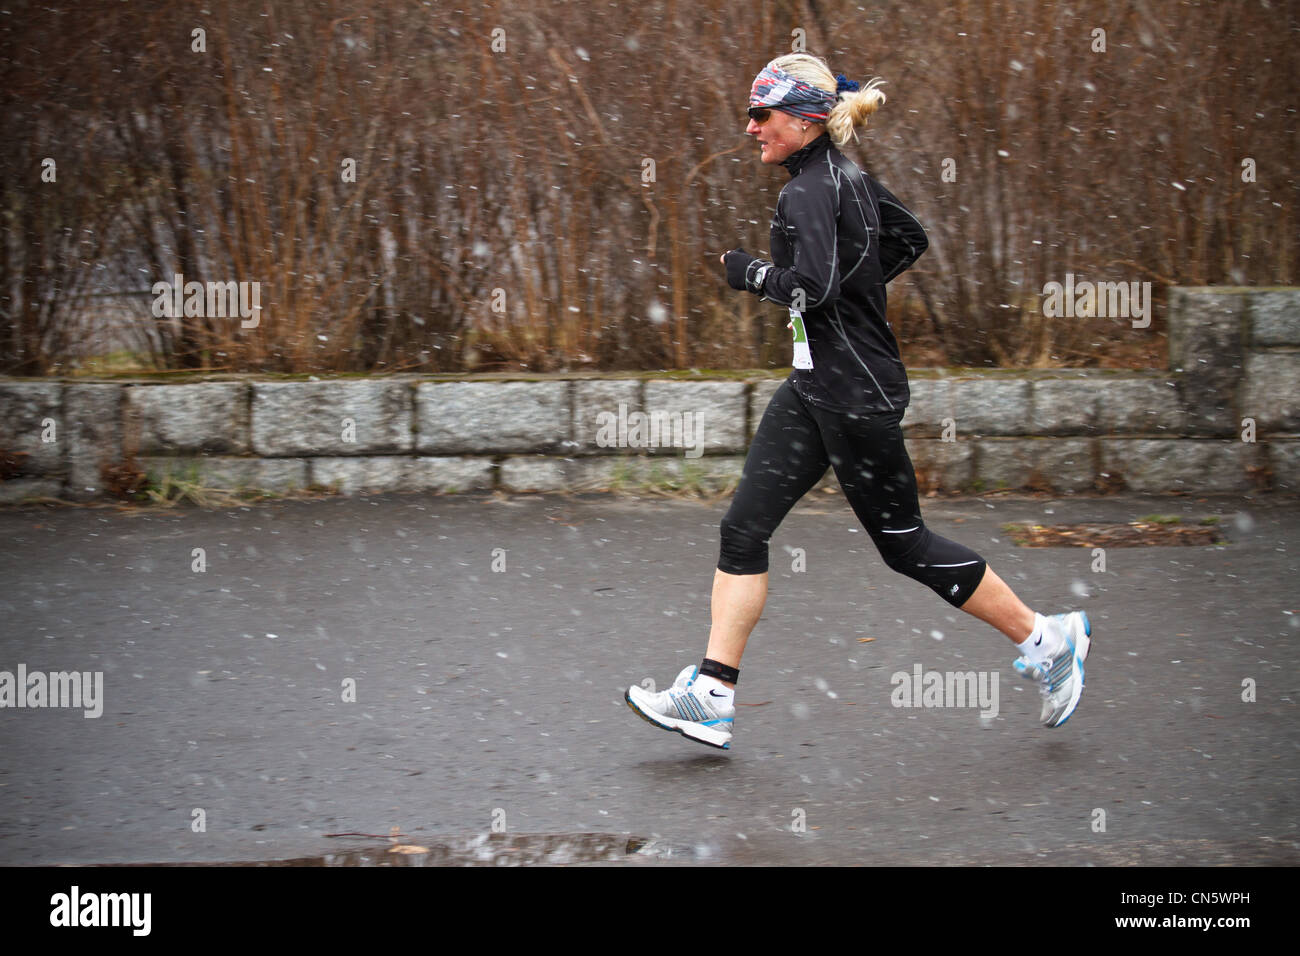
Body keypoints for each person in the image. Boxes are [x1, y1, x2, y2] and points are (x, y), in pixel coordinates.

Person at [625, 53, 1092, 749]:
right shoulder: (844, 177)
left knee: (904, 544)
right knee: (743, 531)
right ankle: (712, 692)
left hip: (853, 393)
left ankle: (1048, 638)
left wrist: (749, 270)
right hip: (816, 385)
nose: (750, 128)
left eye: (761, 115)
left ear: (802, 118)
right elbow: (909, 239)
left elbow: (808, 286)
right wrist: (856, 289)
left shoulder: (810, 190)